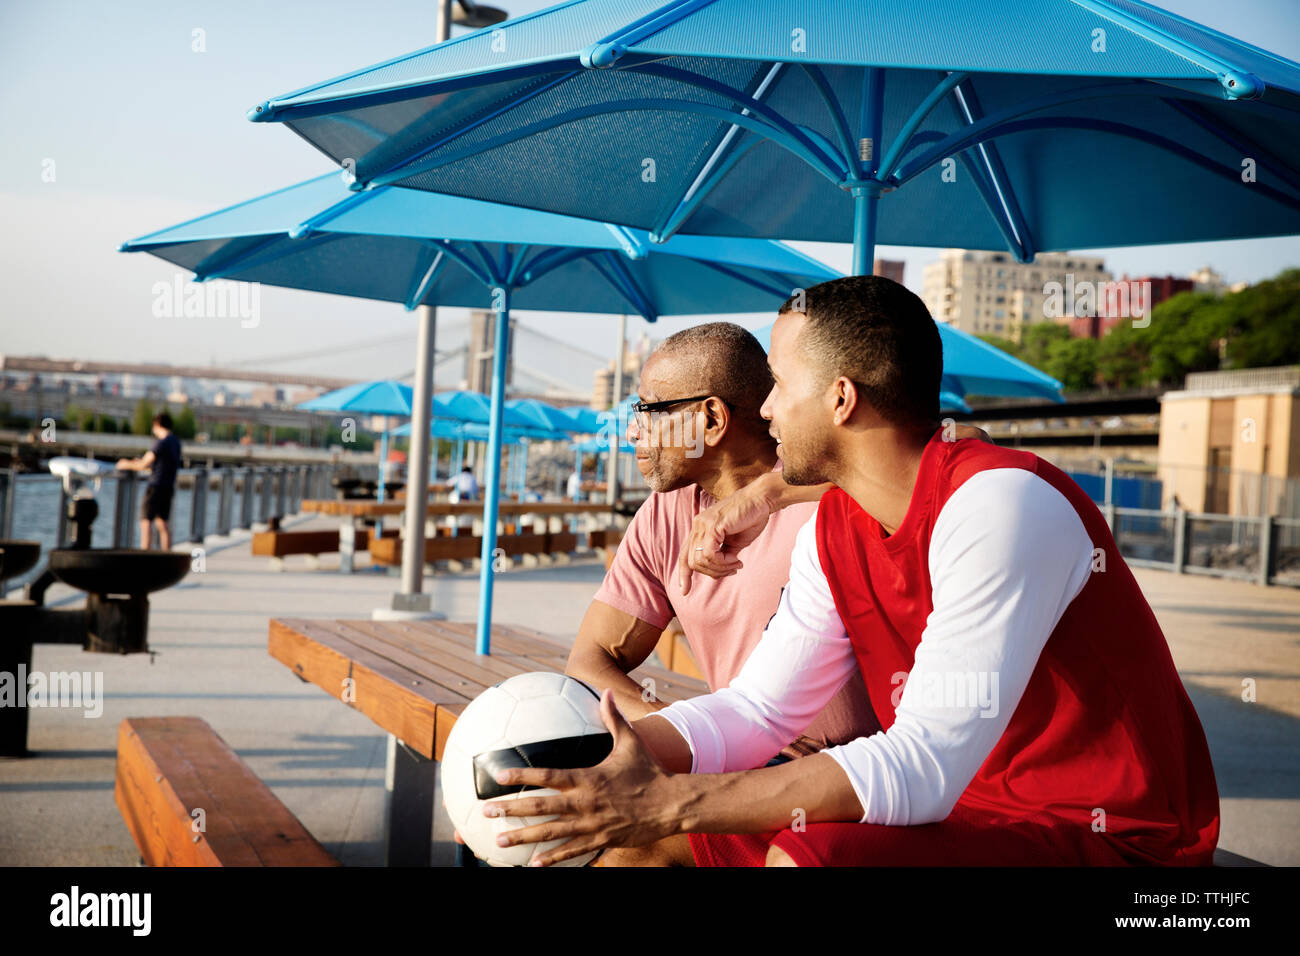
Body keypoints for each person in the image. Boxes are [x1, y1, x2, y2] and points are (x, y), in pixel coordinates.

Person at [483, 276, 1220, 868]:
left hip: (1106, 835)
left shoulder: (1001, 504)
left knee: (808, 855)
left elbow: (922, 766)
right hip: (958, 811)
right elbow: (759, 711)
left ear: (840, 398)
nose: (764, 406)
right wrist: (591, 767)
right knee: (632, 849)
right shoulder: (835, 527)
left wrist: (670, 802)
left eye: (777, 382)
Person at [563, 323, 887, 866]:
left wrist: (773, 491)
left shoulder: (828, 490)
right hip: (746, 762)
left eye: (648, 411)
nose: (633, 431)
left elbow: (954, 448)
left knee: (630, 850)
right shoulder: (665, 514)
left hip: (856, 778)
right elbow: (589, 661)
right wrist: (697, 733)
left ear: (711, 419)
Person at [116, 412, 182, 551]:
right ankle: (167, 555)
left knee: (146, 523)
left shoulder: (161, 443)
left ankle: (145, 556)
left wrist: (125, 464)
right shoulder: (176, 442)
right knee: (163, 524)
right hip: (168, 486)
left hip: (155, 487)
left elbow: (144, 464)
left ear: (157, 425)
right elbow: (161, 464)